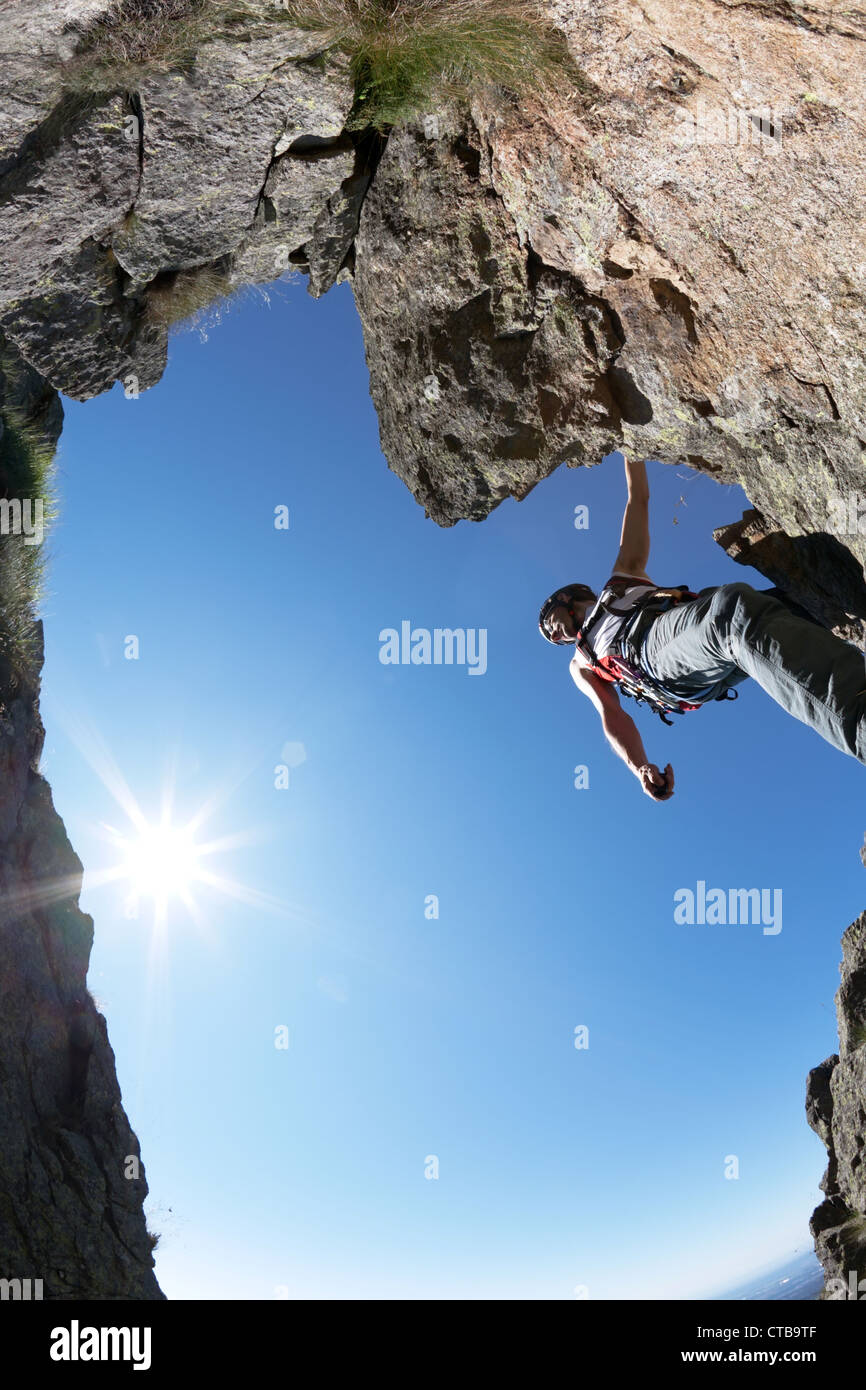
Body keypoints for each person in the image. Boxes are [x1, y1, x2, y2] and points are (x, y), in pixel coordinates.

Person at [538, 455, 866, 801]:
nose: (552, 636)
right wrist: (639, 766)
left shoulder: (621, 581)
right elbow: (611, 714)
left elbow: (638, 498)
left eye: (548, 625)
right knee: (731, 613)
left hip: (693, 643)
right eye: (550, 637)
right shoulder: (580, 661)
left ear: (565, 599)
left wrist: (628, 446)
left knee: (803, 603)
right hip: (652, 657)